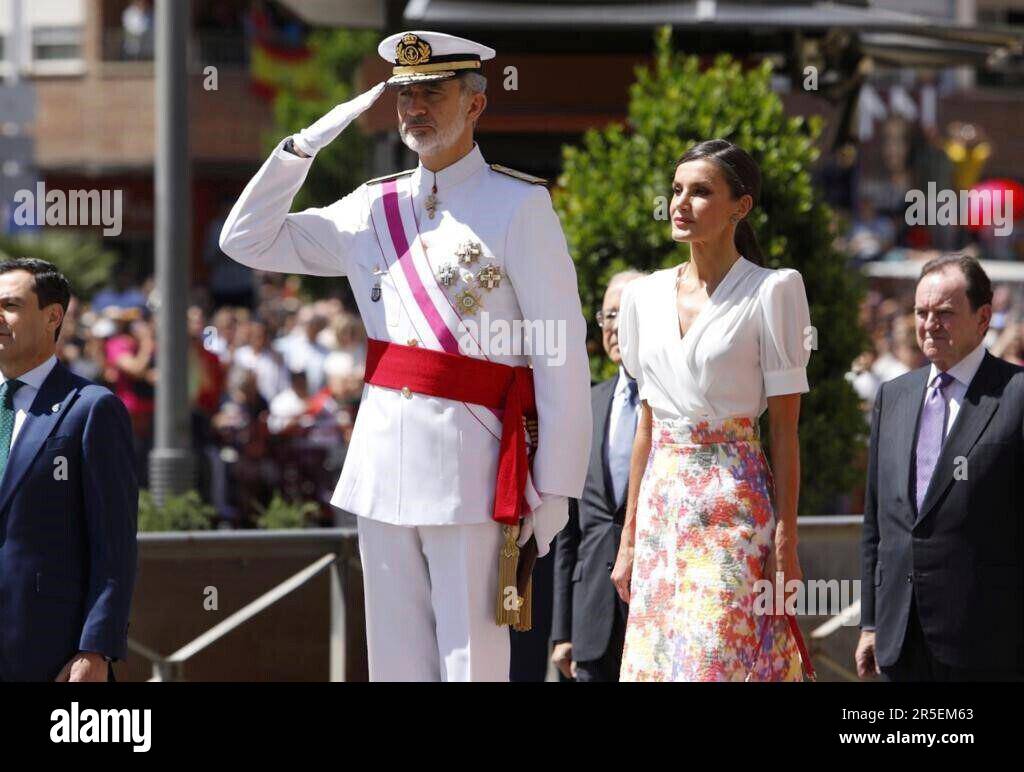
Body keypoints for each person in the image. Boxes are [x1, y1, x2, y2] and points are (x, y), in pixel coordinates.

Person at [219, 30, 591, 681]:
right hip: (383, 458)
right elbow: (246, 239)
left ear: (475, 104)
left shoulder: (519, 206)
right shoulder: (372, 205)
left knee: (470, 658)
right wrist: (302, 146)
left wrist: (554, 486)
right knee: (393, 660)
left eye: (432, 93)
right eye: (405, 95)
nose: (414, 108)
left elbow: (560, 351)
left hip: (473, 463)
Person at [611, 140, 812, 681]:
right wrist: (628, 539)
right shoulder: (642, 296)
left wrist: (786, 538)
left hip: (735, 503)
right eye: (677, 190)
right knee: (658, 665)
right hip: (662, 506)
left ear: (739, 207)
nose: (681, 203)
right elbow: (645, 425)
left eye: (701, 192)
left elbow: (787, 433)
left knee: (714, 662)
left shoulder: (773, 291)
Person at [857, 254, 1024, 682]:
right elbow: (878, 522)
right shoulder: (893, 396)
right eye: (921, 312)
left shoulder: (1015, 394)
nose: (930, 324)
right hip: (901, 641)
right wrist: (872, 623)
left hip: (987, 643)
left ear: (983, 317)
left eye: (945, 313)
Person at [0, 258, 138, 682]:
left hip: (50, 657)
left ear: (53, 317)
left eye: (9, 304)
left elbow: (113, 544)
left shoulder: (91, 408)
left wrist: (96, 648)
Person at [552, 269, 643, 681]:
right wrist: (562, 631)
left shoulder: (679, 406)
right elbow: (569, 531)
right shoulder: (586, 405)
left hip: (655, 616)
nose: (614, 327)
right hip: (591, 625)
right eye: (608, 316)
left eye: (627, 314)